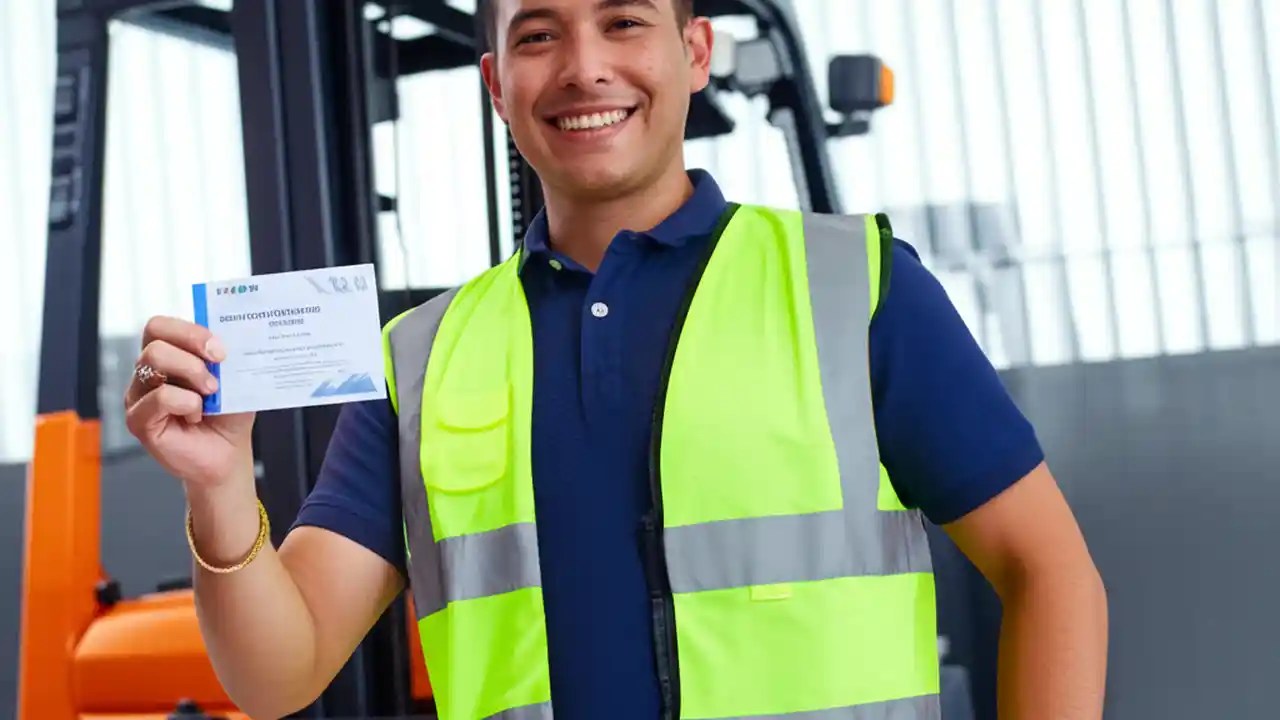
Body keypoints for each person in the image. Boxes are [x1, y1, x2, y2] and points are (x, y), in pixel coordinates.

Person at [124, 0, 1108, 718]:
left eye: (623, 23)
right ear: (495, 85)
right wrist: (216, 490)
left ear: (694, 52)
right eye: (539, 34)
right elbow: (276, 674)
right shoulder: (420, 360)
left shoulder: (853, 288)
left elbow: (1048, 573)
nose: (583, 67)